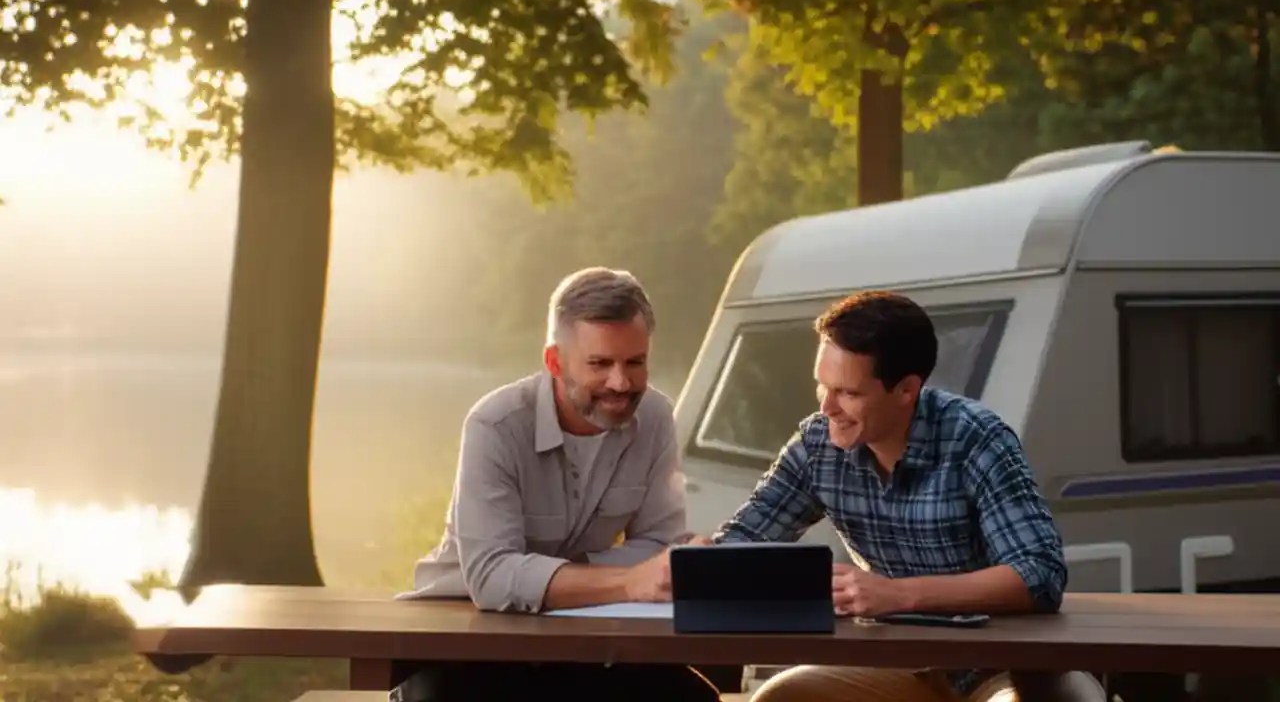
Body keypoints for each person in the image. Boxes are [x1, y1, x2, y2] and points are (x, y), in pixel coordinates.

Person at [713, 291, 1105, 702]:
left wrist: (897, 594)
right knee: (780, 698)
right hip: (901, 662)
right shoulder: (817, 446)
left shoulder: (976, 437)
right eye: (821, 387)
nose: (827, 407)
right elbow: (741, 544)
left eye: (848, 392)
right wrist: (705, 560)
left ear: (906, 390)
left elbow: (1039, 575)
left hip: (1007, 666)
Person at [401, 266, 720, 702]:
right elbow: (492, 577)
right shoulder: (494, 425)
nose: (621, 383)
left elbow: (662, 545)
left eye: (635, 362)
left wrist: (574, 579)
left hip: (585, 634)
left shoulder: (657, 419)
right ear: (554, 361)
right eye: (600, 363)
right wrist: (628, 581)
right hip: (468, 634)